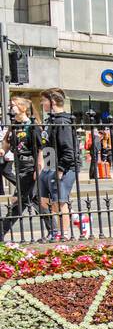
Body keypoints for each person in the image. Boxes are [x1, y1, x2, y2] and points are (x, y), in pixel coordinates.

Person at [0, 96, 44, 242]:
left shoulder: (32, 125)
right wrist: (2, 150)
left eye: (13, 105)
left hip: (29, 167)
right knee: (35, 200)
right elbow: (6, 141)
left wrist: (38, 169)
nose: (10, 108)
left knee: (18, 202)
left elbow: (40, 149)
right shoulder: (14, 125)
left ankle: (1, 233)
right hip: (19, 166)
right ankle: (54, 231)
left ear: (23, 108)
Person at [38, 89, 79, 243]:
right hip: (50, 165)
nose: (42, 104)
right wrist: (45, 168)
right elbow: (48, 147)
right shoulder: (51, 121)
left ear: (52, 102)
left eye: (44, 101)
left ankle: (64, 233)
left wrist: (60, 169)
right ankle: (75, 217)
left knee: (59, 201)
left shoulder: (62, 122)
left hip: (64, 167)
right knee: (43, 201)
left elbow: (69, 150)